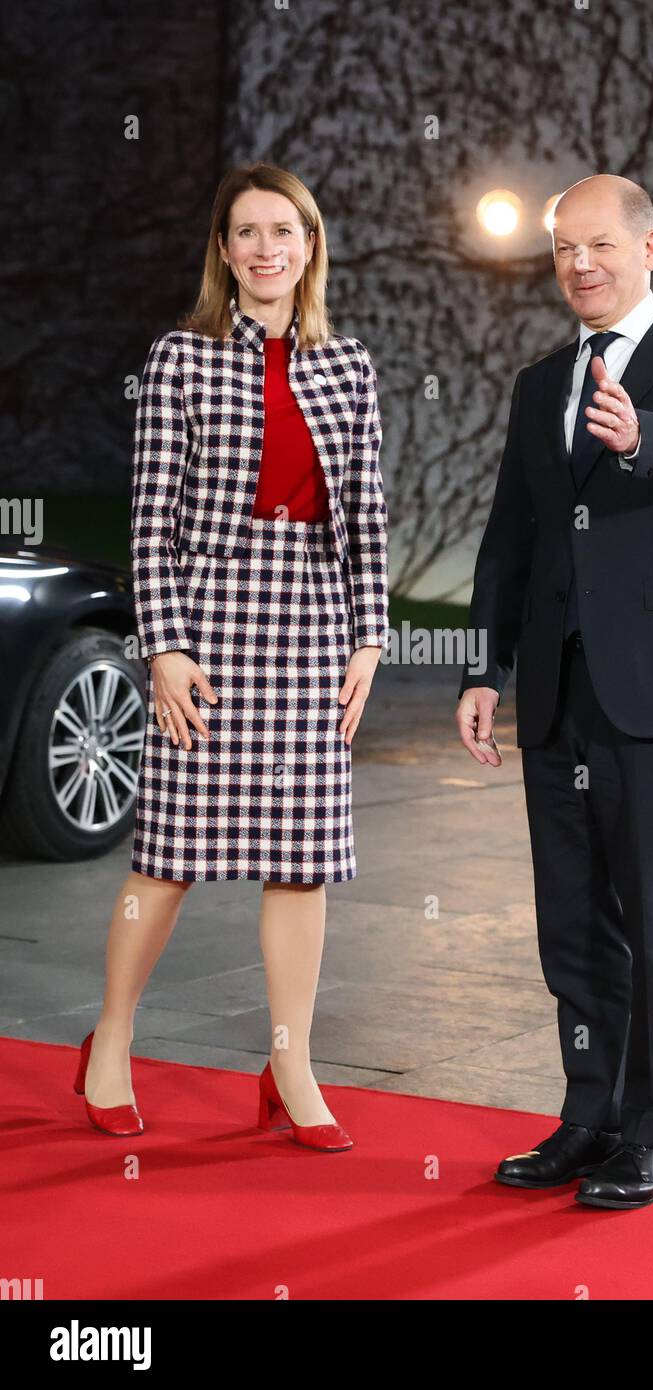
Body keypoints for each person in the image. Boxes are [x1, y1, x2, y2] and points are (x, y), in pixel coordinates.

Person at [455, 173, 653, 1209]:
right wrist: (480, 669)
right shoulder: (542, 380)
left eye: (597, 245)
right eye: (562, 250)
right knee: (572, 923)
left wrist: (645, 438)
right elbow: (509, 537)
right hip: (555, 690)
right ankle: (589, 1117)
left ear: (648, 248)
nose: (578, 264)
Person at [74, 162, 388, 1153]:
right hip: (206, 624)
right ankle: (111, 1039)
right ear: (223, 250)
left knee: (300, 864)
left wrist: (369, 636)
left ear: (308, 245)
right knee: (167, 857)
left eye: (282, 231)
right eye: (245, 232)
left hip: (310, 624)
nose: (264, 249)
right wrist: (161, 645)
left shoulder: (350, 366)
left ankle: (288, 1061)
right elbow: (151, 519)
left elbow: (367, 515)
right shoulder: (179, 358)